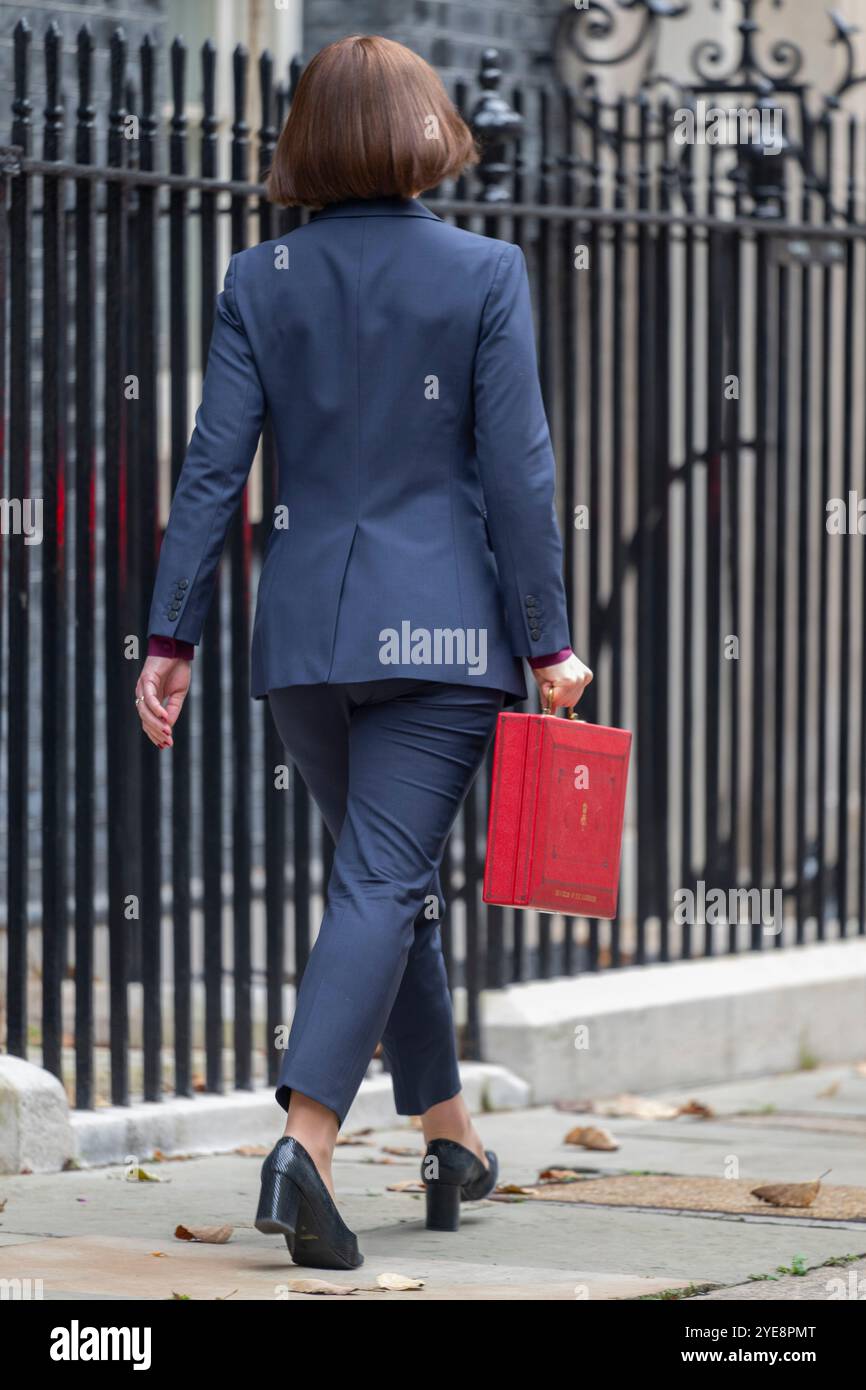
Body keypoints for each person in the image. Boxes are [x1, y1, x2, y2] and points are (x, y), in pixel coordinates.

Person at [135, 34, 592, 1270]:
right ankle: (307, 1144)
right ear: (426, 133)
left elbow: (211, 471)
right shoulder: (484, 271)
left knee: (384, 883)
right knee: (383, 882)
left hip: (302, 641)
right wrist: (548, 640)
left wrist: (168, 634)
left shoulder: (258, 277)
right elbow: (518, 474)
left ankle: (448, 1135)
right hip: (441, 635)